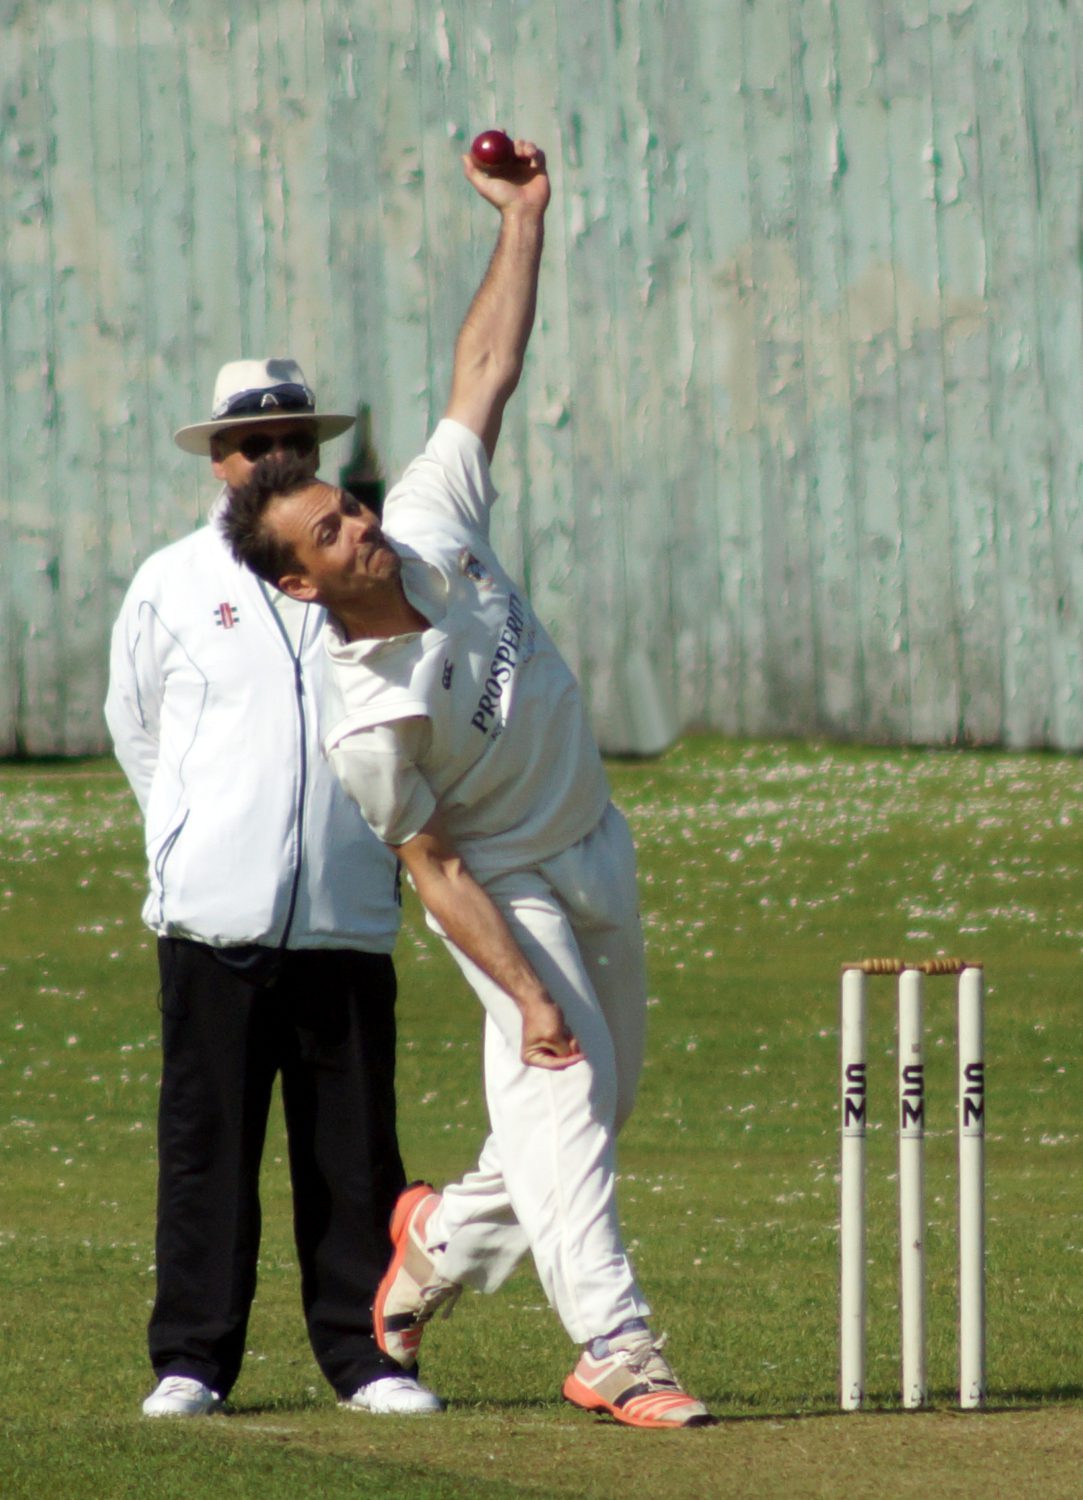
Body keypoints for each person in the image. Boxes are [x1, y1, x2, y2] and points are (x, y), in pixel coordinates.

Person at [222, 141, 714, 1430]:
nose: (361, 528)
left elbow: (486, 369)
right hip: (506, 883)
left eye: (351, 508)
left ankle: (437, 1236)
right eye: (329, 534)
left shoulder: (432, 519)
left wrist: (526, 219)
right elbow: (433, 871)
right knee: (563, 1079)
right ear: (298, 584)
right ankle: (617, 1348)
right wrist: (524, 991)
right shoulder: (368, 723)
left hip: (594, 842)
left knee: (599, 1101)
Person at [104, 357, 442, 1418]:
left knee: (353, 1155)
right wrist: (204, 846)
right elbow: (139, 732)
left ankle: (368, 1358)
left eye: (297, 440)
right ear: (219, 458)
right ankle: (193, 1361)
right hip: (215, 919)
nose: (278, 458)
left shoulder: (367, 563)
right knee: (209, 1150)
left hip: (344, 913)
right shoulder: (171, 580)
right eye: (255, 443)